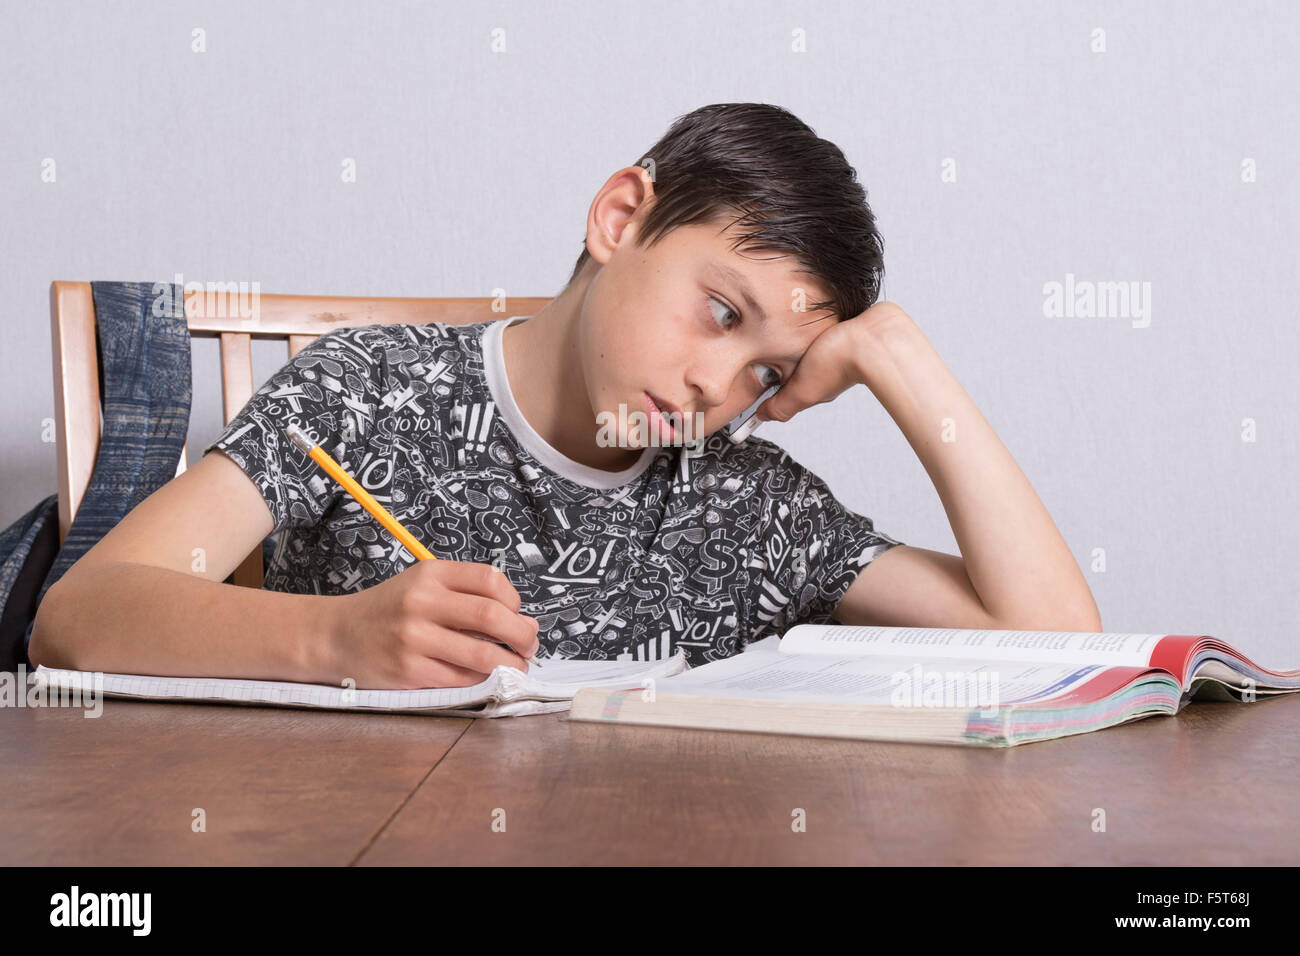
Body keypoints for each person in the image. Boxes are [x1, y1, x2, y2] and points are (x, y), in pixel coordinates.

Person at [28, 103, 1100, 689]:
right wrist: (338, 640)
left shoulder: (751, 505)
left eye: (768, 372)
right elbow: (78, 617)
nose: (713, 387)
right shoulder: (370, 389)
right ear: (620, 215)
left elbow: (1059, 641)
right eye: (723, 312)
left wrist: (905, 359)